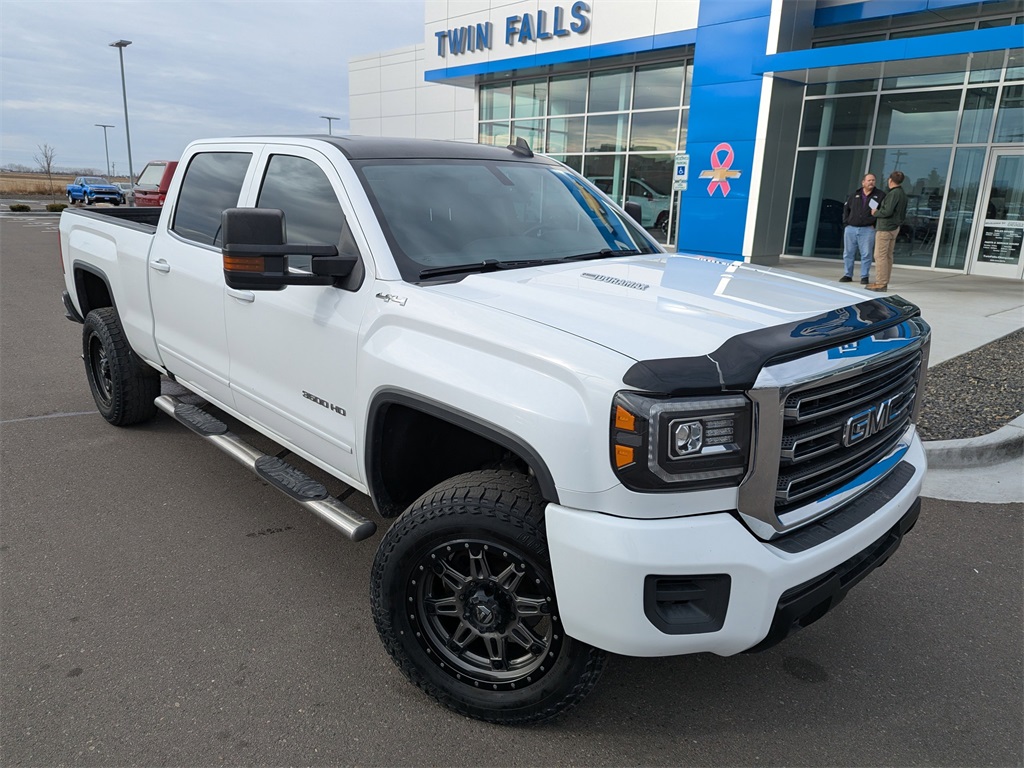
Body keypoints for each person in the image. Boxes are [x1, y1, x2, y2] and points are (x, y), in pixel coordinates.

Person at [840, 172, 886, 284]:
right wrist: (846, 222)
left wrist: (874, 224)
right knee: (848, 253)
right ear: (863, 182)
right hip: (851, 228)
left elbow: (882, 211)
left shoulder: (880, 195)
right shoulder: (854, 195)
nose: (871, 182)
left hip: (868, 229)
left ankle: (864, 276)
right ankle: (847, 275)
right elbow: (846, 210)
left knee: (866, 254)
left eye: (873, 180)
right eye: (869, 180)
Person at [867, 170, 908, 292]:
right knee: (888, 256)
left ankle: (881, 282)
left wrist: (876, 212)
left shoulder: (893, 194)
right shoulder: (902, 194)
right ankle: (883, 281)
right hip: (894, 227)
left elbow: (887, 211)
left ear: (890, 180)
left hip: (886, 227)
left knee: (880, 255)